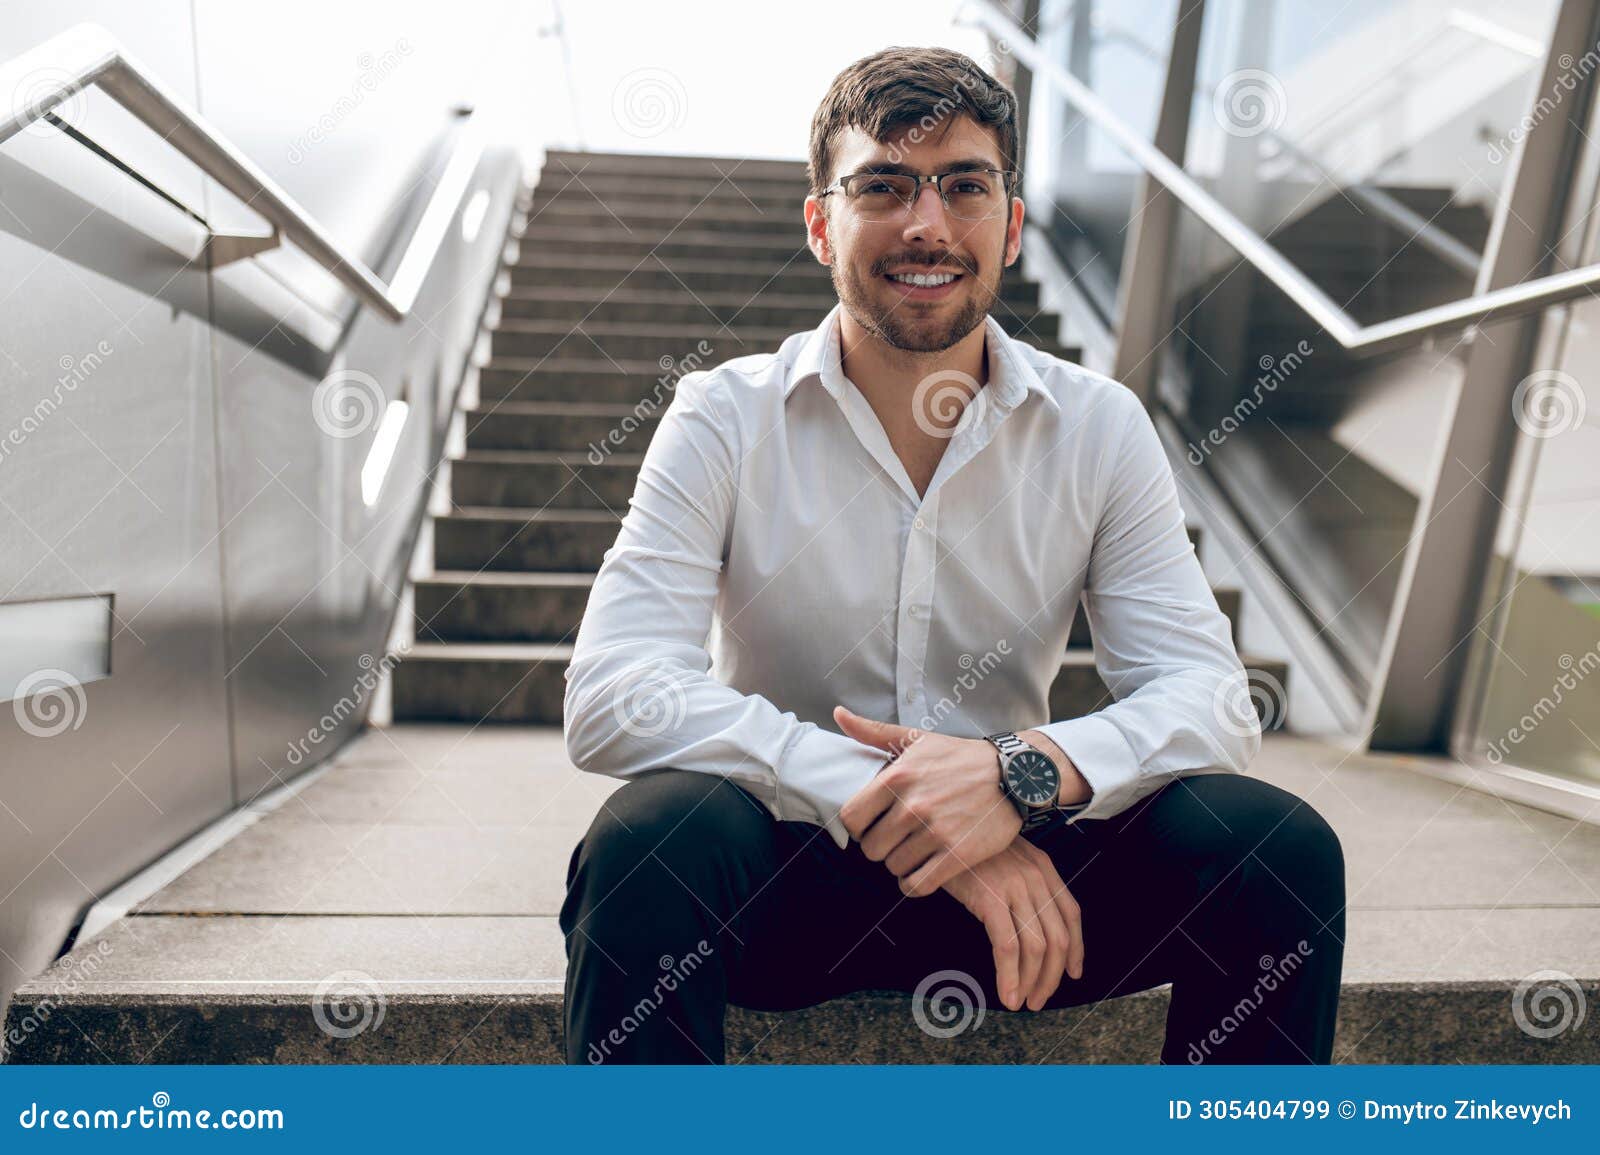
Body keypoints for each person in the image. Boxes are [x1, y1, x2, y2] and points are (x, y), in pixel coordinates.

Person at [559, 46, 1345, 1065]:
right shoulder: (723, 415)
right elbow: (615, 690)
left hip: (1034, 901)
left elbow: (1208, 698)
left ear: (1010, 228)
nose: (926, 224)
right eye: (882, 186)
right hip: (792, 870)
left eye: (964, 187)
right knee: (649, 840)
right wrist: (896, 800)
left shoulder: (1097, 424)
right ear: (819, 223)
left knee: (1276, 849)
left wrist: (1021, 777)